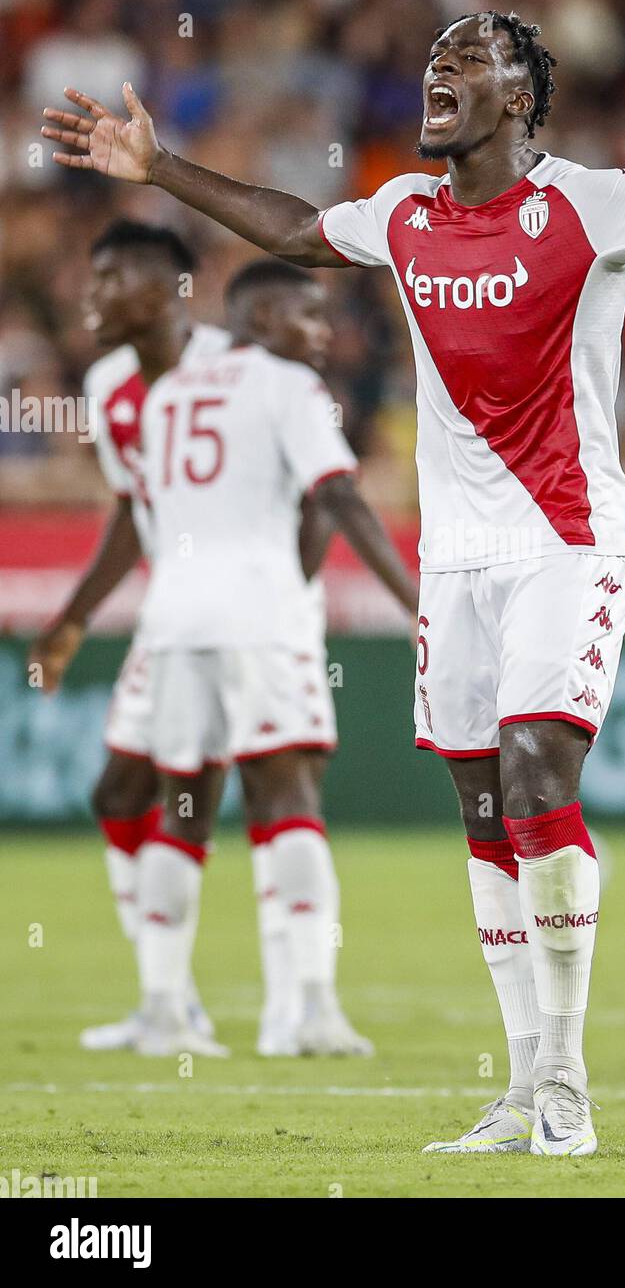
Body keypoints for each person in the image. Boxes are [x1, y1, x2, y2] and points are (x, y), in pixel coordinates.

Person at [42, 9, 625, 1152]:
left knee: (536, 767)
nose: (434, 71)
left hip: (567, 534)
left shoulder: (593, 203)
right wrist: (158, 168)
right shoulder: (402, 213)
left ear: (519, 95)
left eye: (463, 59)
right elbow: (299, 229)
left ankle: (564, 1082)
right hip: (456, 554)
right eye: (430, 55)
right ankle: (518, 1090)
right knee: (485, 806)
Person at [123, 259, 418, 1056]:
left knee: (182, 809)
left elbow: (158, 512)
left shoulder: (169, 393)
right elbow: (338, 496)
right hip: (260, 614)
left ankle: (160, 1009)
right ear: (258, 318)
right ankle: (311, 1012)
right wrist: (419, 606)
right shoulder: (289, 388)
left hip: (175, 618)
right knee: (288, 798)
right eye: (307, 316)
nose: (323, 333)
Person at [30, 218, 228, 1055]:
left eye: (108, 279)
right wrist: (73, 616)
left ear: (161, 286)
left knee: (192, 792)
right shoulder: (110, 384)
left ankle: (216, 1005)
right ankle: (169, 999)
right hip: (168, 608)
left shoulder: (233, 367)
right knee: (120, 793)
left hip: (234, 612)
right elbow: (134, 514)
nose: (90, 296)